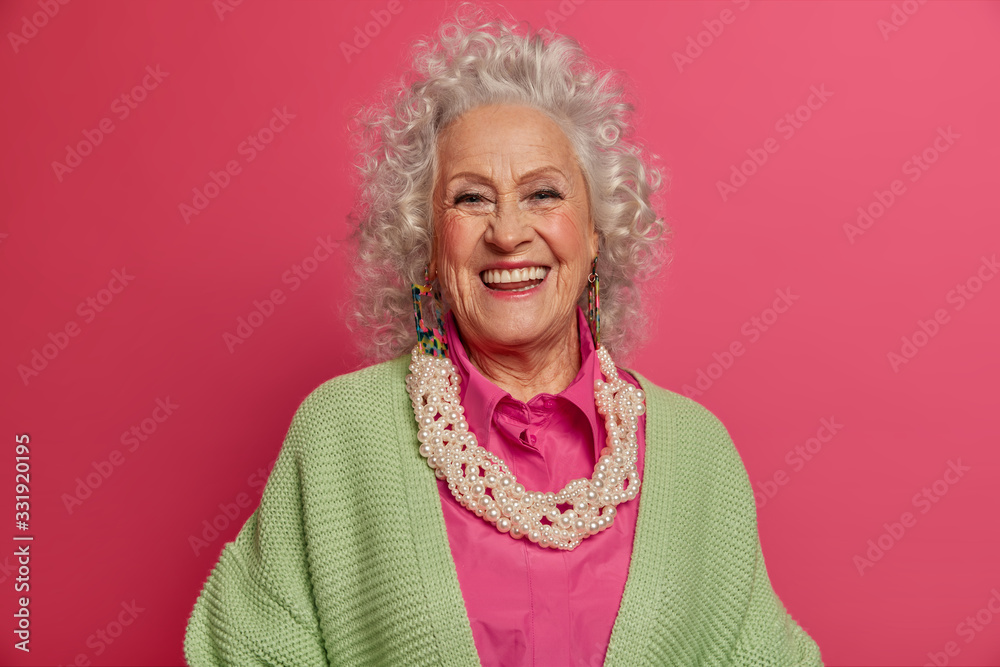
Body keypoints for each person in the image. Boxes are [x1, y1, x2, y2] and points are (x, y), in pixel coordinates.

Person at [184, 5, 823, 665]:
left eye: (544, 194)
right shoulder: (340, 435)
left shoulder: (697, 454)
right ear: (428, 243)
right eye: (470, 198)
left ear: (597, 227)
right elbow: (246, 647)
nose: (509, 231)